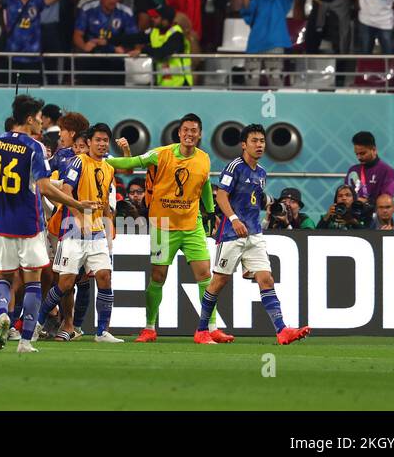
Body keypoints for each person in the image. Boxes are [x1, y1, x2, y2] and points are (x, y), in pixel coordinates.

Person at [0, 95, 98, 353]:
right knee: (33, 281)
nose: (42, 123)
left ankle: (3, 312)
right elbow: (45, 188)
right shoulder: (34, 147)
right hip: (28, 222)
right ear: (28, 119)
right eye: (38, 118)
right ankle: (25, 341)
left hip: (0, 221)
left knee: (4, 276)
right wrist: (78, 204)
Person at [106, 113, 222, 343]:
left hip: (192, 225)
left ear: (199, 135)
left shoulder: (204, 159)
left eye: (194, 131)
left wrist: (211, 212)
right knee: (158, 276)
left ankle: (211, 327)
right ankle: (149, 328)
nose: (189, 134)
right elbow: (132, 162)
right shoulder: (161, 154)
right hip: (163, 226)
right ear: (179, 133)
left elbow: (205, 186)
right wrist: (99, 159)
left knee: (205, 276)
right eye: (185, 130)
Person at [197, 124, 310, 346]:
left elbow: (254, 200)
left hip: (254, 234)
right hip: (231, 234)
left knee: (266, 278)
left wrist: (269, 204)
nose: (259, 145)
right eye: (254, 141)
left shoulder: (261, 173)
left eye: (262, 141)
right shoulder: (234, 167)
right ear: (243, 145)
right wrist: (234, 219)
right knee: (219, 281)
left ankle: (282, 330)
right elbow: (221, 196)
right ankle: (202, 330)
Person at [34, 123, 124, 344]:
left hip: (97, 233)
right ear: (90, 142)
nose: (102, 144)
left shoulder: (108, 168)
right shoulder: (78, 162)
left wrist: (109, 227)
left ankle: (102, 332)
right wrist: (77, 216)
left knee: (104, 276)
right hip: (73, 231)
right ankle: (37, 324)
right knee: (65, 283)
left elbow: (103, 203)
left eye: (105, 140)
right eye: (98, 140)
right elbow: (66, 192)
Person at [346, 131, 394, 205]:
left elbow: (387, 201)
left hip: (376, 215)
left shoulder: (388, 172)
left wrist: (367, 202)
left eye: (362, 153)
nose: (359, 157)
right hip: (354, 215)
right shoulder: (353, 171)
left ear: (374, 150)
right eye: (356, 154)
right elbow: (346, 196)